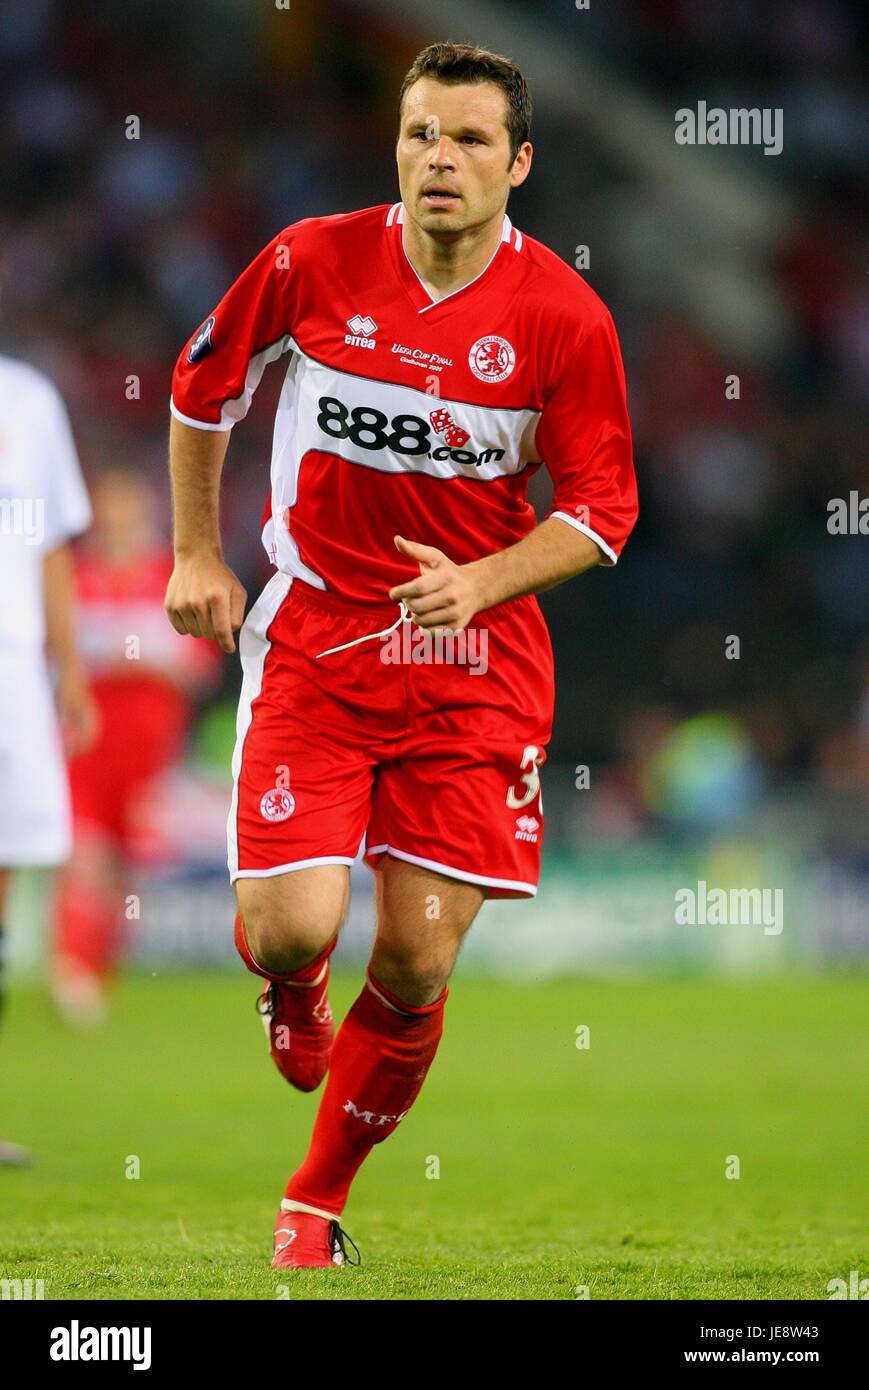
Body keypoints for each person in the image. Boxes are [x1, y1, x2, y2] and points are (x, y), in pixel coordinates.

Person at [165, 41, 638, 1268]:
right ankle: (287, 982)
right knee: (287, 929)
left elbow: (602, 508)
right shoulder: (310, 257)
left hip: (471, 666)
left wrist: (478, 582)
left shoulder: (563, 318)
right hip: (319, 634)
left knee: (419, 958)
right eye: (421, 133)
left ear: (517, 163)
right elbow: (201, 387)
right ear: (396, 147)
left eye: (471, 139)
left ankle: (311, 1205)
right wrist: (197, 555)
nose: (441, 158)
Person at [52, 466, 220, 1025]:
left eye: (129, 506)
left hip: (149, 755)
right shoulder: (71, 579)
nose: (119, 517)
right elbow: (49, 659)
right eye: (111, 505)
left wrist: (145, 660)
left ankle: (97, 970)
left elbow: (201, 665)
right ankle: (71, 969)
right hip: (84, 747)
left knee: (127, 874)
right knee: (87, 860)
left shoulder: (169, 578)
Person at [0, 352, 95, 1163]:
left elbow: (45, 544)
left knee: (5, 879)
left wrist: (69, 673)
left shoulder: (27, 401)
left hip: (13, 673)